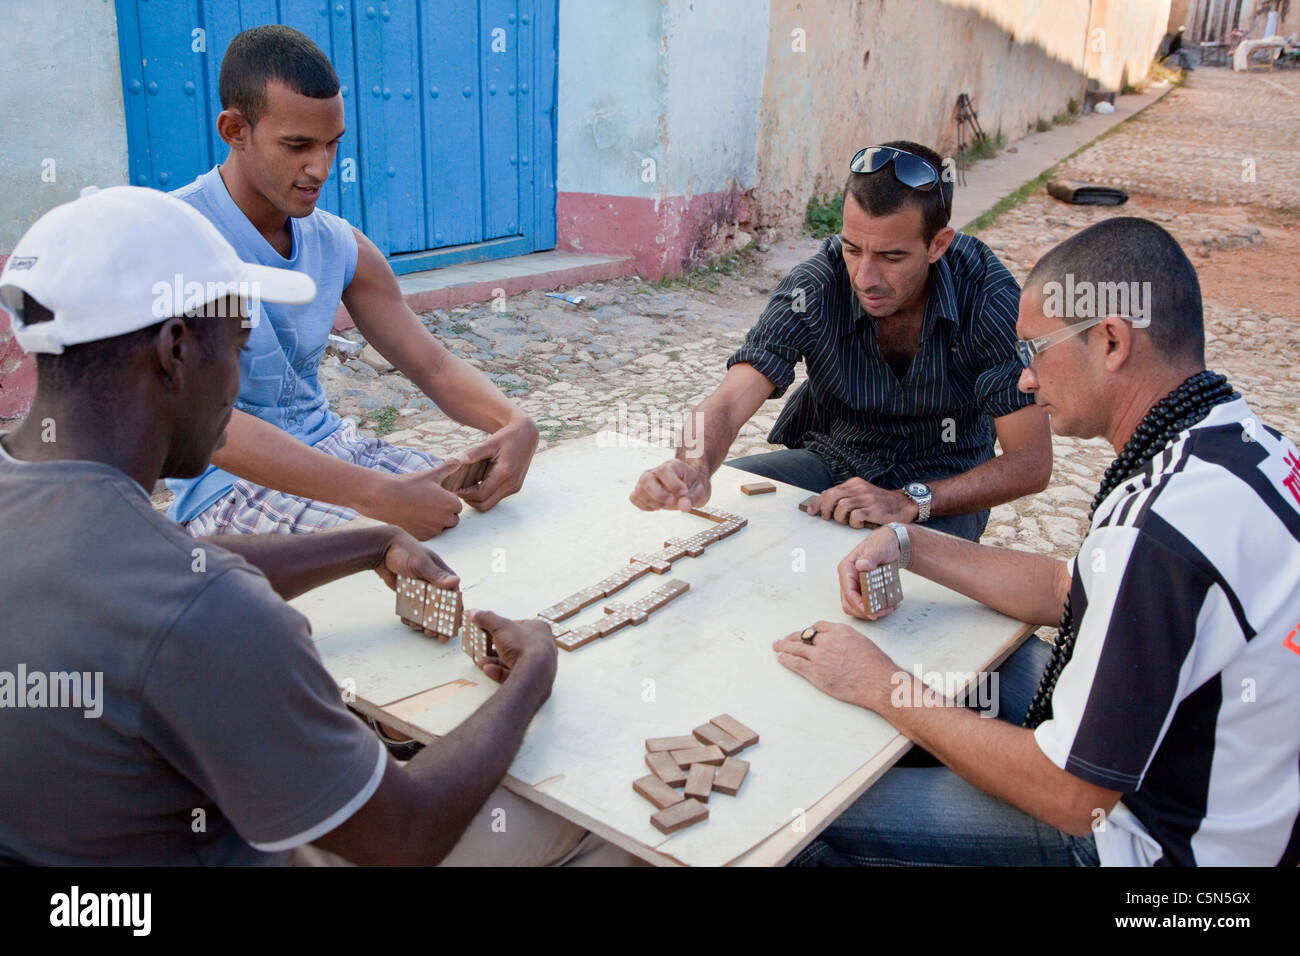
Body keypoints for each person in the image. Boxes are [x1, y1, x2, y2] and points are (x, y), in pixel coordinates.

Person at [0, 186, 632, 866]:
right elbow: (403, 836)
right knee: (604, 825)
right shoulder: (211, 615)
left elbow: (170, 562)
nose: (237, 385)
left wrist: (370, 542)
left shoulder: (55, 511)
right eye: (238, 347)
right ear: (175, 351)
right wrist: (533, 673)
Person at [775, 217, 1300, 866]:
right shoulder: (1244, 448)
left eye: (1034, 351)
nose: (1024, 379)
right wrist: (909, 541)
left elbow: (1074, 797)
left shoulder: (1160, 529)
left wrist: (883, 686)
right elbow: (1068, 590)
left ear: (1110, 342)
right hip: (1224, 793)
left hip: (1152, 852)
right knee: (974, 671)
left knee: (805, 820)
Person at [167, 24, 539, 539]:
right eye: (297, 145)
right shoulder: (170, 236)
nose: (320, 168)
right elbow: (204, 424)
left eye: (331, 144)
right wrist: (373, 497)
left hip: (341, 453)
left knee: (484, 525)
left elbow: (432, 364)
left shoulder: (340, 245)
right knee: (398, 546)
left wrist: (514, 422)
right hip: (229, 488)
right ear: (234, 130)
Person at [630, 141, 1051, 542]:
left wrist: (908, 501)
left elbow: (1030, 462)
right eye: (853, 249)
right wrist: (694, 466)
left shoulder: (987, 295)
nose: (865, 278)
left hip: (943, 482)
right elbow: (731, 398)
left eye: (891, 257)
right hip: (832, 459)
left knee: (899, 583)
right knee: (722, 525)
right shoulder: (815, 285)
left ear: (938, 244)